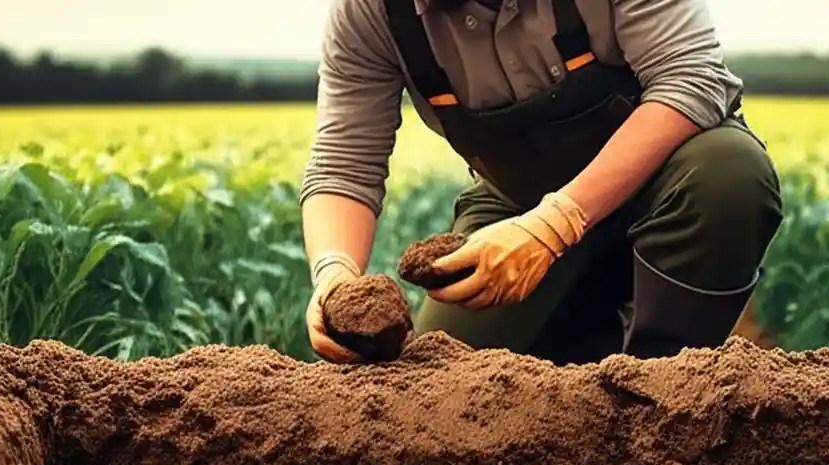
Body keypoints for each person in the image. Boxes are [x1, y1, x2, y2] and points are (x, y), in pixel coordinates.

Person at [301, 0, 783, 364]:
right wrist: (334, 273)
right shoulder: (371, 12)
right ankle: (583, 357)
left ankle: (663, 384)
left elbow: (690, 78)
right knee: (441, 382)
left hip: (666, 187)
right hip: (514, 210)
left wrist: (554, 226)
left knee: (730, 174)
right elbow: (343, 163)